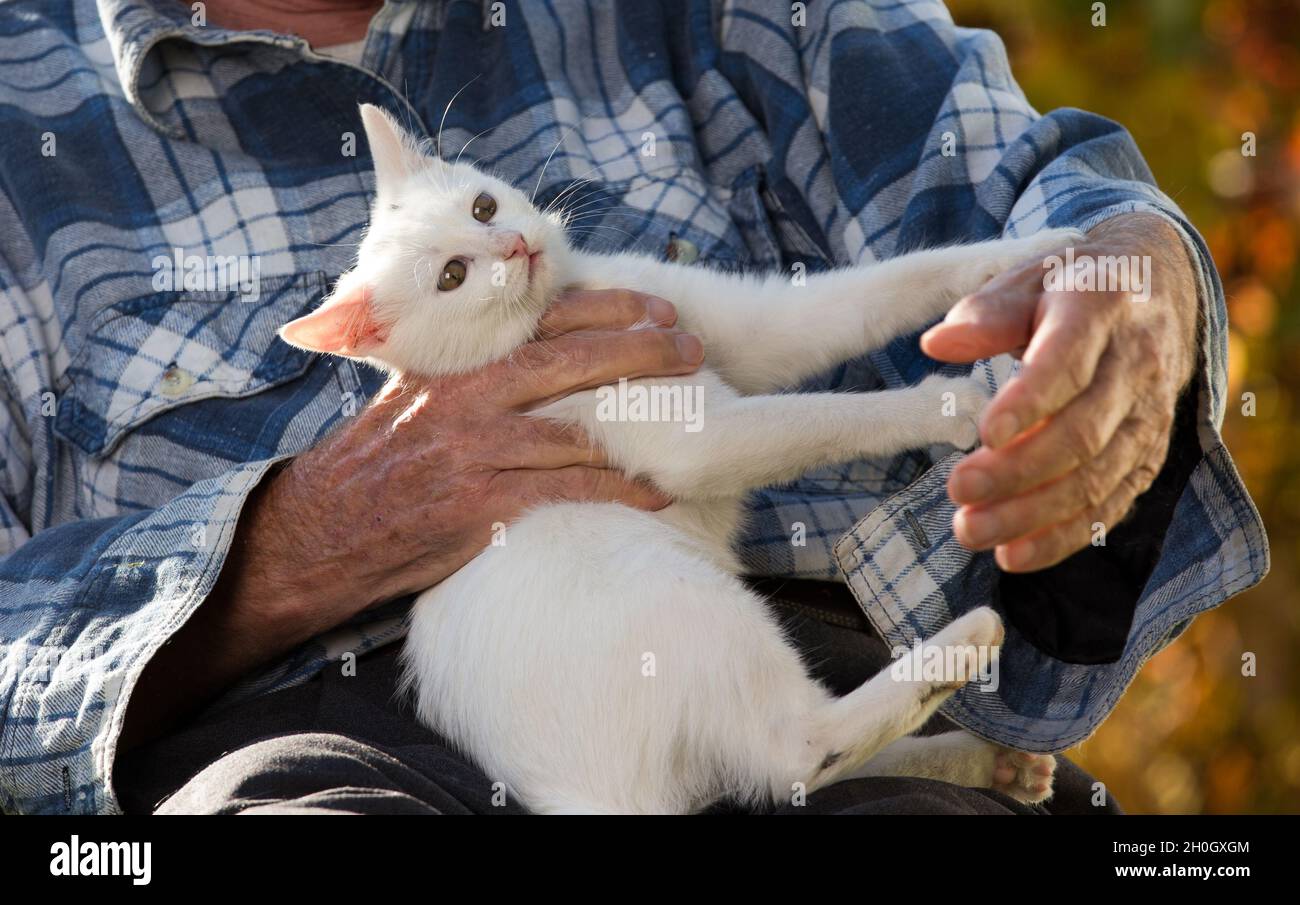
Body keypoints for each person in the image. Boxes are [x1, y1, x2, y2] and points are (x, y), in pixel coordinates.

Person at [0, 0, 1266, 815]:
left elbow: (1039, 193)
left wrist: (1128, 279)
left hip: (807, 694)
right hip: (291, 758)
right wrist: (281, 549)